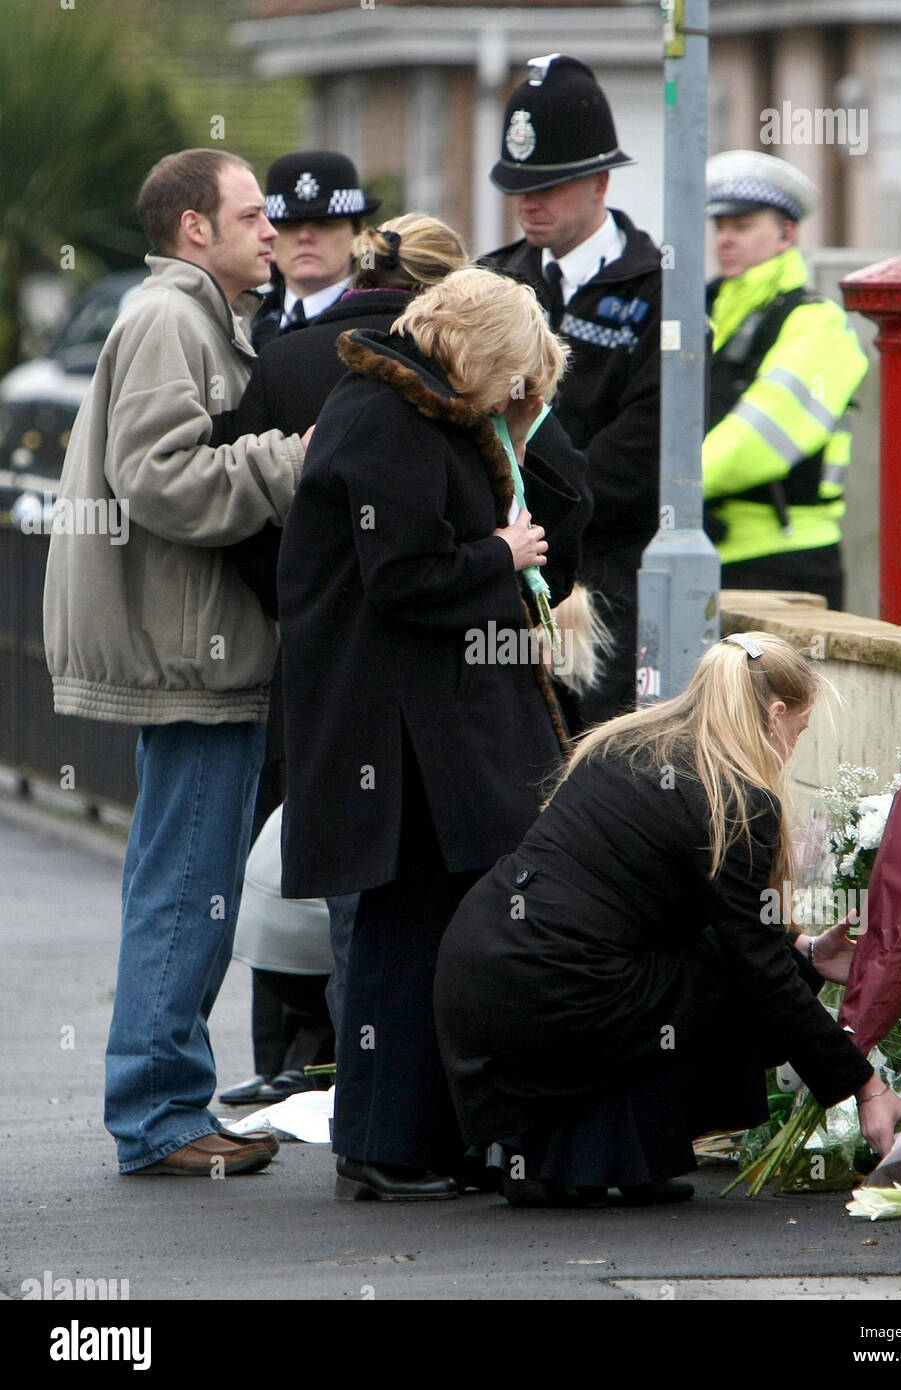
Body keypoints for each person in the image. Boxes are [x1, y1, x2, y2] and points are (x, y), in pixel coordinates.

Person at [277, 267, 593, 1200]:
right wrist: (501, 553)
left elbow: (554, 510)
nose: (515, 397)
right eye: (514, 378)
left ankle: (431, 1138)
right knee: (403, 935)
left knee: (437, 928)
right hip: (395, 738)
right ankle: (383, 1146)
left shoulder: (417, 408)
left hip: (423, 726)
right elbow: (403, 578)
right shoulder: (387, 415)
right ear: (479, 354)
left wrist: (522, 437)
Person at [434, 631, 901, 1206]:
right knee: (742, 981)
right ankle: (608, 1157)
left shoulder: (626, 744)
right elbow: (756, 966)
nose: (794, 744)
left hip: (486, 965)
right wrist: (866, 1087)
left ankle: (590, 1159)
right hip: (560, 989)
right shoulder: (734, 798)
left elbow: (700, 915)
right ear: (776, 713)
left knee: (719, 966)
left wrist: (805, 949)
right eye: (800, 729)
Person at [43, 149, 309, 1176]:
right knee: (186, 887)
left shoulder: (196, 316)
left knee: (188, 883)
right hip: (192, 661)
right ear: (194, 228)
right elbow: (161, 479)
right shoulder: (171, 318)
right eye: (251, 214)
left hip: (197, 652)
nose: (273, 230)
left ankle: (168, 1104)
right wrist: (296, 456)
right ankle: (159, 1116)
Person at [219, 215, 471, 1108]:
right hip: (406, 688)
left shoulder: (290, 359)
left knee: (343, 894)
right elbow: (411, 568)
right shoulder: (416, 388)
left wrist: (301, 613)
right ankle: (376, 1110)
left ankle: (309, 1070)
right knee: (391, 908)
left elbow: (252, 536)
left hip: (317, 669)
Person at [483, 54, 661, 728]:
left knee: (599, 762)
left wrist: (545, 505)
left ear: (600, 182)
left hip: (611, 583)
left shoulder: (660, 294)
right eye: (519, 185)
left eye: (550, 185)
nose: (529, 203)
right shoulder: (490, 284)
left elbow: (650, 448)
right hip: (504, 575)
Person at [704, 150, 869, 611]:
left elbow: (760, 435)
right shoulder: (705, 310)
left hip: (783, 559)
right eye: (720, 226)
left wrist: (665, 490)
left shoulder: (817, 322)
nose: (725, 239)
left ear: (787, 234)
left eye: (742, 226)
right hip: (706, 547)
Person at [251, 149, 380, 350]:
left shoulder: (381, 326)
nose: (305, 236)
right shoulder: (244, 325)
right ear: (269, 240)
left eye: (323, 224)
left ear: (357, 236)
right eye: (290, 225)